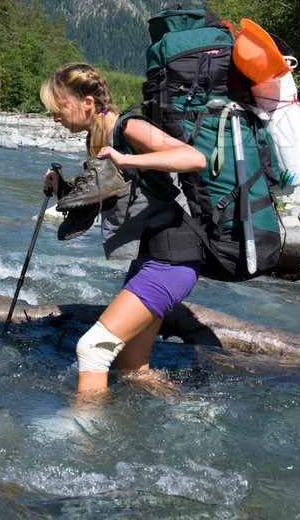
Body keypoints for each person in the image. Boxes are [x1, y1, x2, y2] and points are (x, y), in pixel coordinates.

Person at [40, 62, 206, 396]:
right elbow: (102, 203)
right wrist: (62, 190)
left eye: (60, 108)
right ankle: (191, 412)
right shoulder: (100, 138)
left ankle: (84, 437)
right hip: (149, 258)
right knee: (132, 369)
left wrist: (126, 160)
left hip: (173, 257)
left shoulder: (129, 127)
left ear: (88, 103)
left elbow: (194, 158)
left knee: (93, 348)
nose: (55, 117)